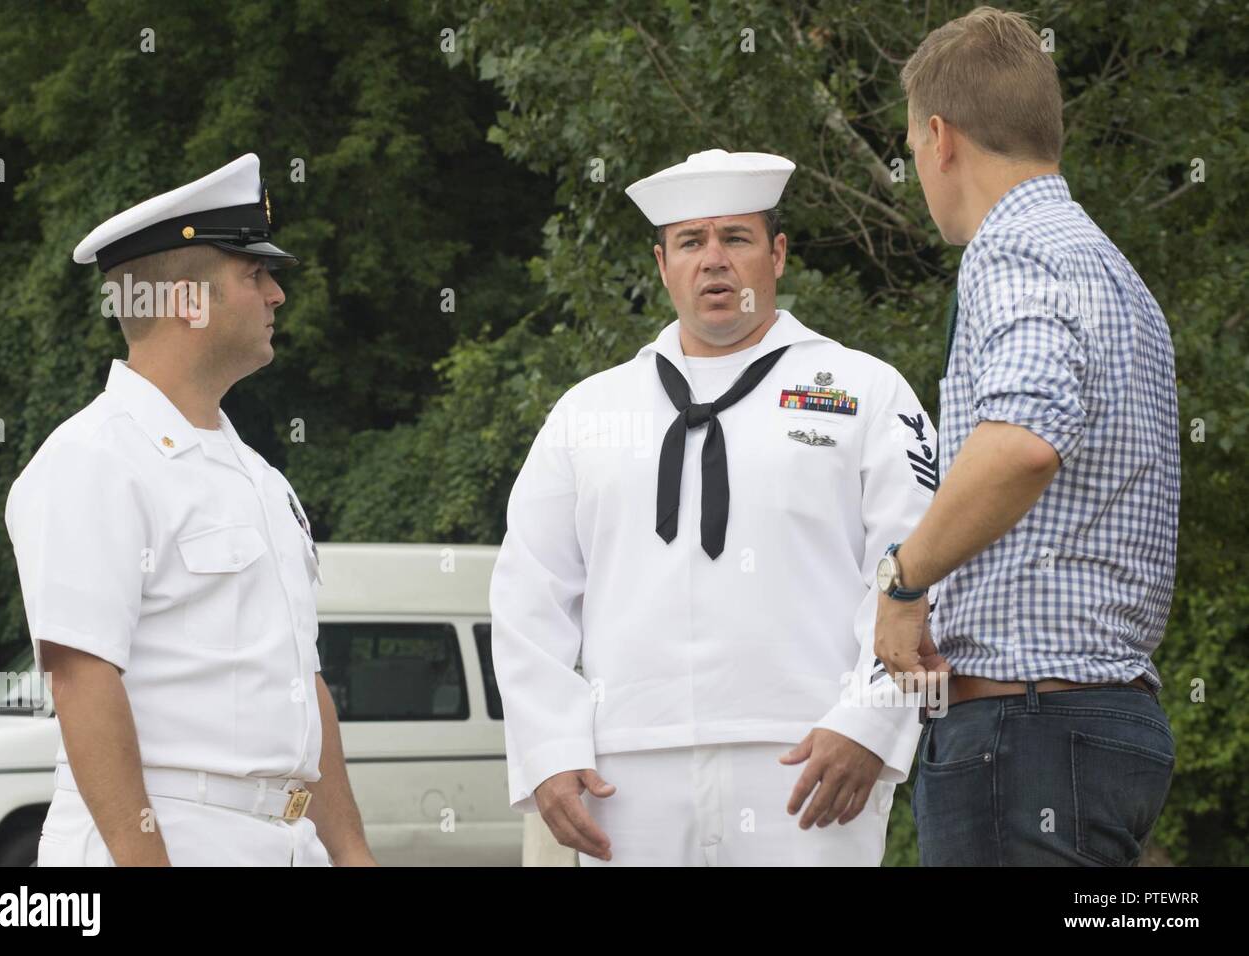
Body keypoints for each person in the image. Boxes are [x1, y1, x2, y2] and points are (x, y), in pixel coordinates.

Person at [490, 149, 939, 866]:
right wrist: (547, 749)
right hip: (624, 771)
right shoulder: (588, 412)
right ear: (662, 262)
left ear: (778, 254)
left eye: (736, 238)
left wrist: (871, 724)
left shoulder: (863, 391)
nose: (714, 261)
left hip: (813, 760)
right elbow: (527, 594)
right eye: (692, 242)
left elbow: (920, 561)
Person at [5, 154, 376, 866]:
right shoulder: (94, 458)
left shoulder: (260, 479)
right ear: (186, 302)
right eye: (255, 274)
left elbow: (306, 685)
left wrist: (351, 853)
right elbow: (83, 678)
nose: (277, 296)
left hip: (285, 842)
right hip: (167, 839)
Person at [873, 6, 1179, 866]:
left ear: (940, 139)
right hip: (1097, 725)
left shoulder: (1011, 251)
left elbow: (1022, 441)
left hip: (1026, 734)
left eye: (910, 150)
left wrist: (904, 585)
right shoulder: (1118, 275)